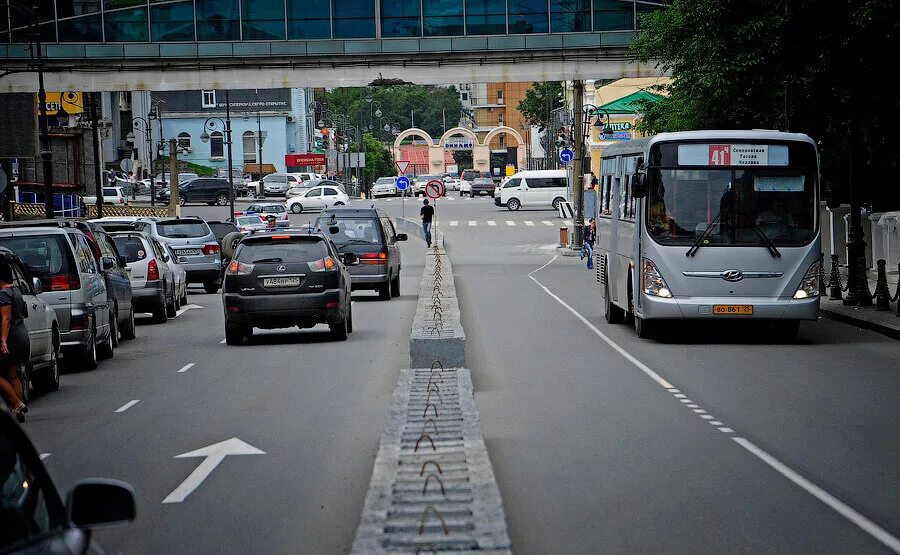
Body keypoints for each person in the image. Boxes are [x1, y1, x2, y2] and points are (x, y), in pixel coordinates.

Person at [0, 257, 29, 423]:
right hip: (22, 335)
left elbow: (6, 318)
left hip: (11, 338)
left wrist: (3, 340)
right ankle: (20, 411)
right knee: (13, 374)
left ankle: (17, 403)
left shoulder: (4, 293)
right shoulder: (16, 291)